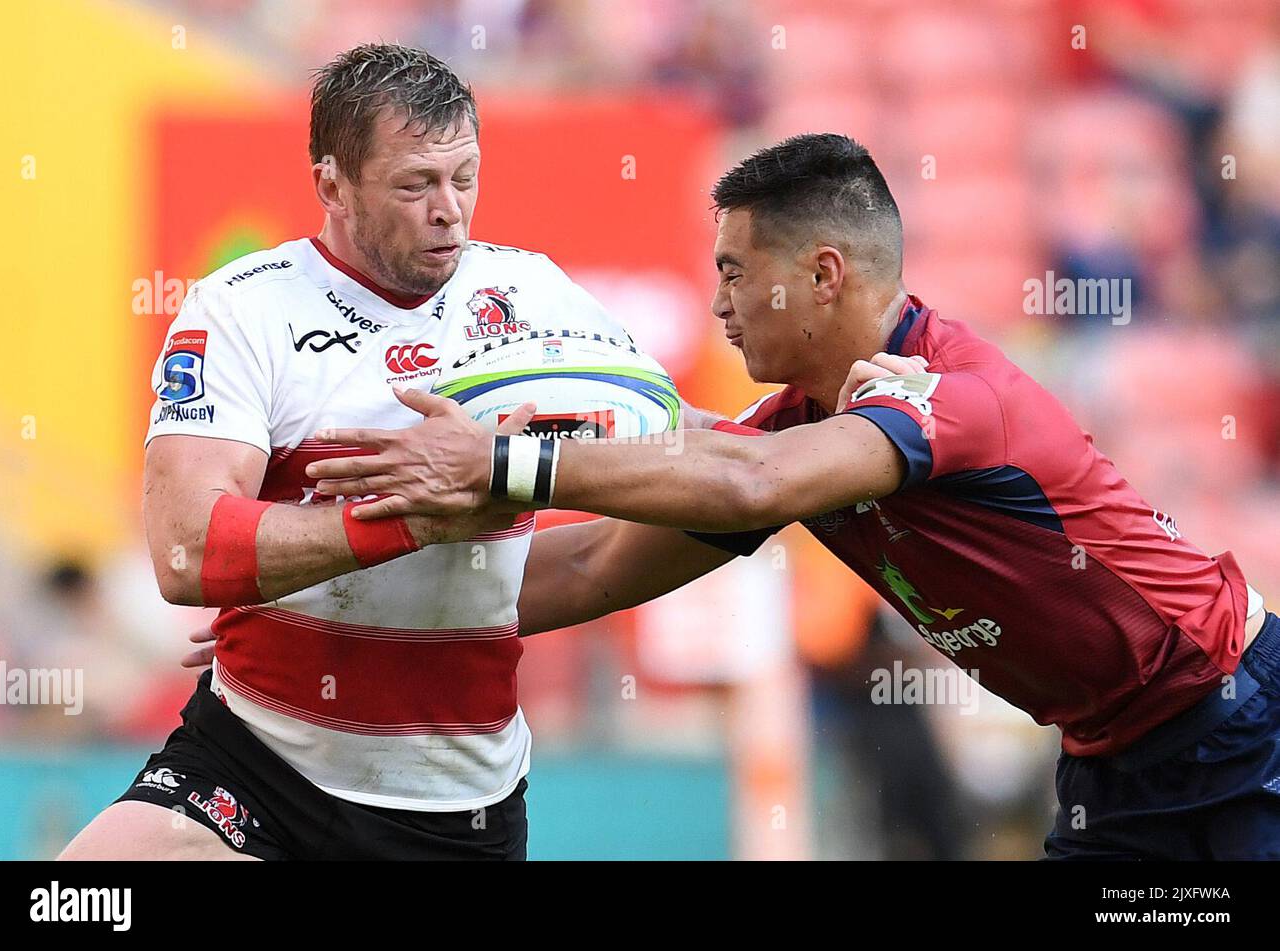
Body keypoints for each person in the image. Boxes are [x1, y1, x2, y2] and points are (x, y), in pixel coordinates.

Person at [307, 133, 1278, 860]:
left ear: (822, 276)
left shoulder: (956, 398)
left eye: (734, 273)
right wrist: (323, 607)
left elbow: (748, 477)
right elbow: (592, 564)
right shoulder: (795, 432)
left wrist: (505, 465)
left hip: (1242, 729)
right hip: (1111, 772)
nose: (717, 303)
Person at [58, 43, 648, 861]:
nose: (450, 208)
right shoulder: (242, 307)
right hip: (253, 764)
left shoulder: (536, 296)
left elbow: (675, 445)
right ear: (331, 182)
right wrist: (411, 521)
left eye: (465, 177)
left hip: (455, 810)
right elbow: (185, 550)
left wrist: (809, 433)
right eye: (415, 183)